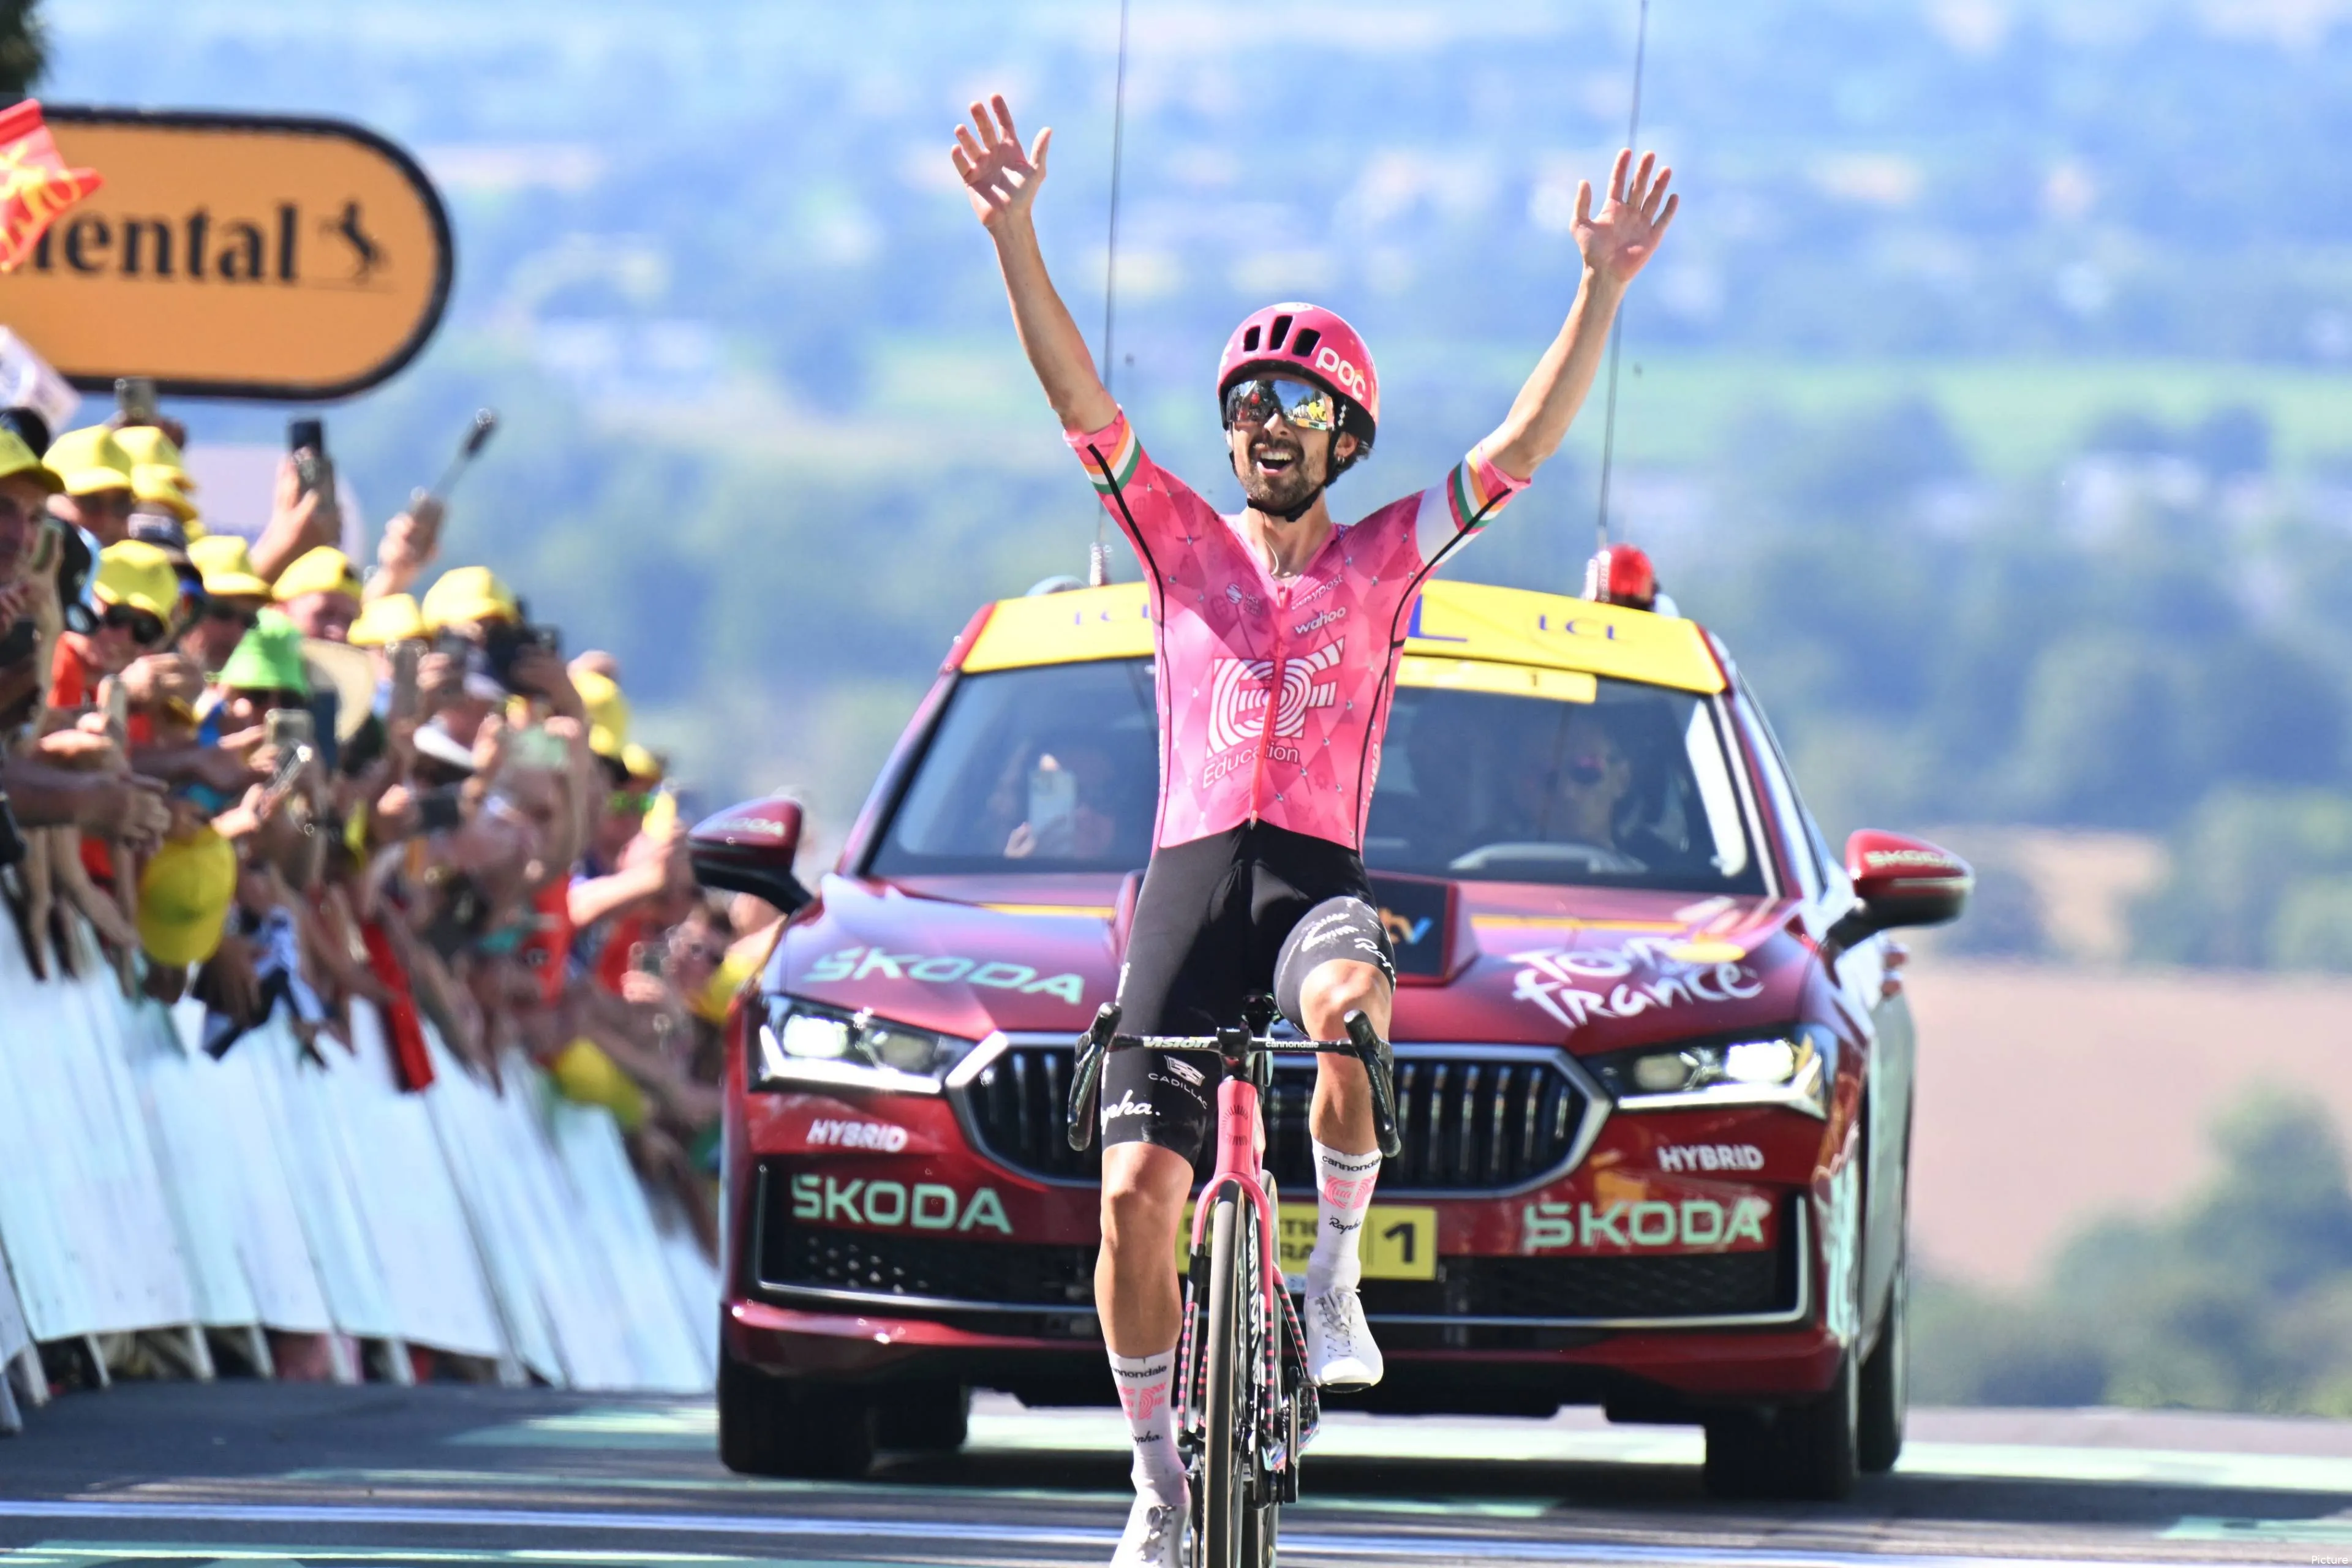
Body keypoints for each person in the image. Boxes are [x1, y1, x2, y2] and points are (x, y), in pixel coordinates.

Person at [953, 93, 1676, 1562]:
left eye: (1291, 406)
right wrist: (1015, 233)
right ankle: (1159, 1478)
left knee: (1350, 1007)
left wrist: (1596, 288)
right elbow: (1076, 392)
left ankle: (1332, 1277)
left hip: (1309, 884)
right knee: (1129, 1212)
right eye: (1240, 403)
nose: (1258, 424)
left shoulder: (1383, 556)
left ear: (1343, 432)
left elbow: (1521, 445)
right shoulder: (1177, 537)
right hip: (1183, 883)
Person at [43, 426, 137, 548]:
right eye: (90, 502)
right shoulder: (16, 564)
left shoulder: (146, 564)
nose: (108, 521)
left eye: (122, 505)